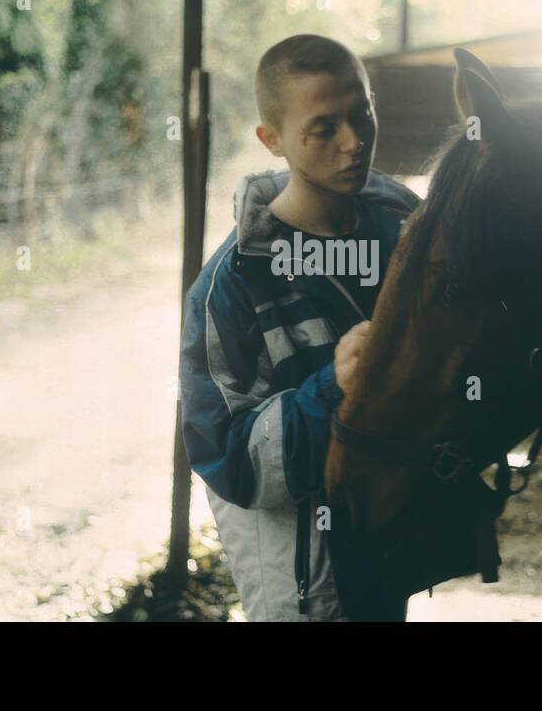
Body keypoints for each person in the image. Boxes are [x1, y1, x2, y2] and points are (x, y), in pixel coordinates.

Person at [179, 34, 420, 620]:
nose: (355, 142)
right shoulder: (231, 287)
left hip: (391, 549)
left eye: (362, 115)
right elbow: (230, 463)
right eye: (323, 129)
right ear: (273, 141)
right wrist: (335, 387)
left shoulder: (408, 239)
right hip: (305, 588)